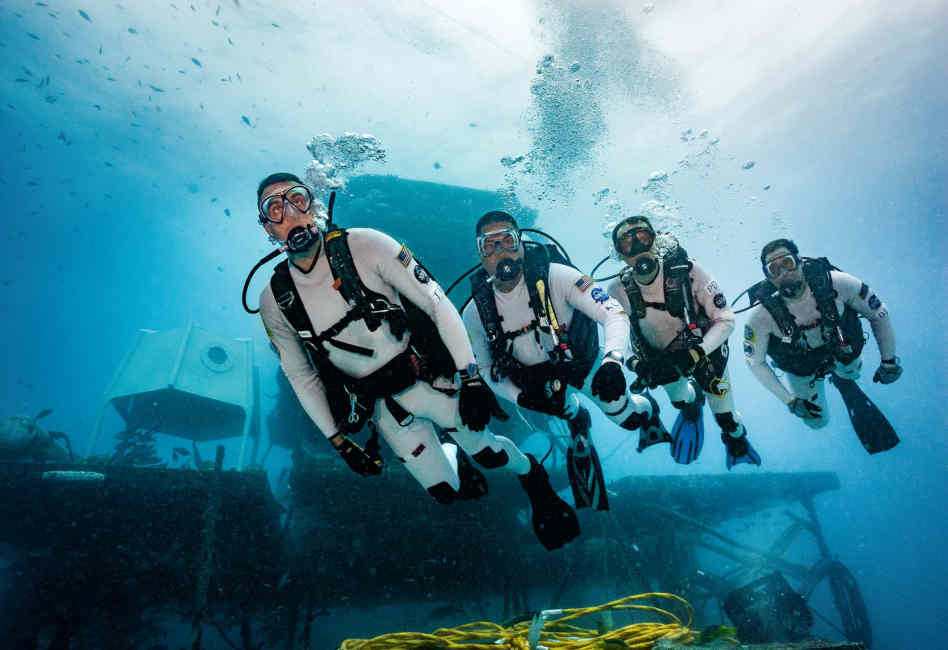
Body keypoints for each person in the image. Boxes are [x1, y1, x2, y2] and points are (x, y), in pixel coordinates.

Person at [255, 173, 580, 551]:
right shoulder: (274, 300)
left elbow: (436, 303)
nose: (290, 213)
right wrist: (338, 440)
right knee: (446, 491)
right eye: (275, 208)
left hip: (429, 379)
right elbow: (299, 374)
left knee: (490, 455)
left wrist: (470, 378)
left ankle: (532, 474)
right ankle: (453, 455)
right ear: (267, 227)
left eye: (297, 199)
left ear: (313, 204)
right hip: (382, 406)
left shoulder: (369, 246)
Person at [462, 211, 665, 513]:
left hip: (586, 367)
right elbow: (486, 369)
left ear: (522, 244)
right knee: (562, 407)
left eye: (508, 240)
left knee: (627, 419)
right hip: (536, 384)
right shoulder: (474, 313)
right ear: (480, 255)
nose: (501, 252)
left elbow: (612, 312)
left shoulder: (559, 276)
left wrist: (612, 362)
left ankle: (647, 409)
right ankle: (577, 417)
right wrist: (519, 397)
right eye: (489, 246)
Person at [607, 215, 761, 470]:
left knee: (728, 421)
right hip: (661, 364)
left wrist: (695, 354)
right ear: (620, 255)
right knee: (682, 402)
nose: (638, 248)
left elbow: (725, 320)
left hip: (707, 355)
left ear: (655, 242)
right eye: (627, 244)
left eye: (643, 238)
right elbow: (615, 336)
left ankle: (735, 439)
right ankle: (691, 404)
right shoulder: (617, 290)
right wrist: (637, 365)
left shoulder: (689, 272)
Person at [742, 239, 902, 452]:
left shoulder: (840, 284)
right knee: (817, 422)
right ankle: (839, 378)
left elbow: (879, 314)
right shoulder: (759, 318)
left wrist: (888, 361)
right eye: (774, 268)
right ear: (768, 277)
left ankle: (843, 379)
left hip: (843, 351)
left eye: (788, 263)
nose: (783, 273)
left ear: (800, 262)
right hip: (802, 369)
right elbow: (755, 362)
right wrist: (789, 401)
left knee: (850, 374)